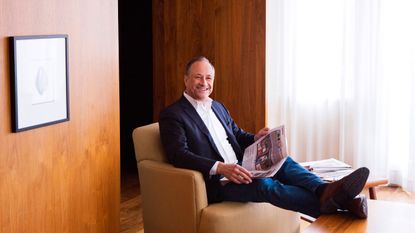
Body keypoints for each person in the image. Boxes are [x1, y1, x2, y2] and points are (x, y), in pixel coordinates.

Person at [159, 56, 370, 218]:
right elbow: (178, 154)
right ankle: (340, 204)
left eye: (208, 77)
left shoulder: (218, 107)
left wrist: (256, 138)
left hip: (242, 166)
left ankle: (324, 189)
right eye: (198, 77)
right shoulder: (173, 114)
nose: (204, 82)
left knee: (283, 161)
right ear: (186, 79)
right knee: (266, 186)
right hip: (219, 181)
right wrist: (221, 167)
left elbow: (238, 135)